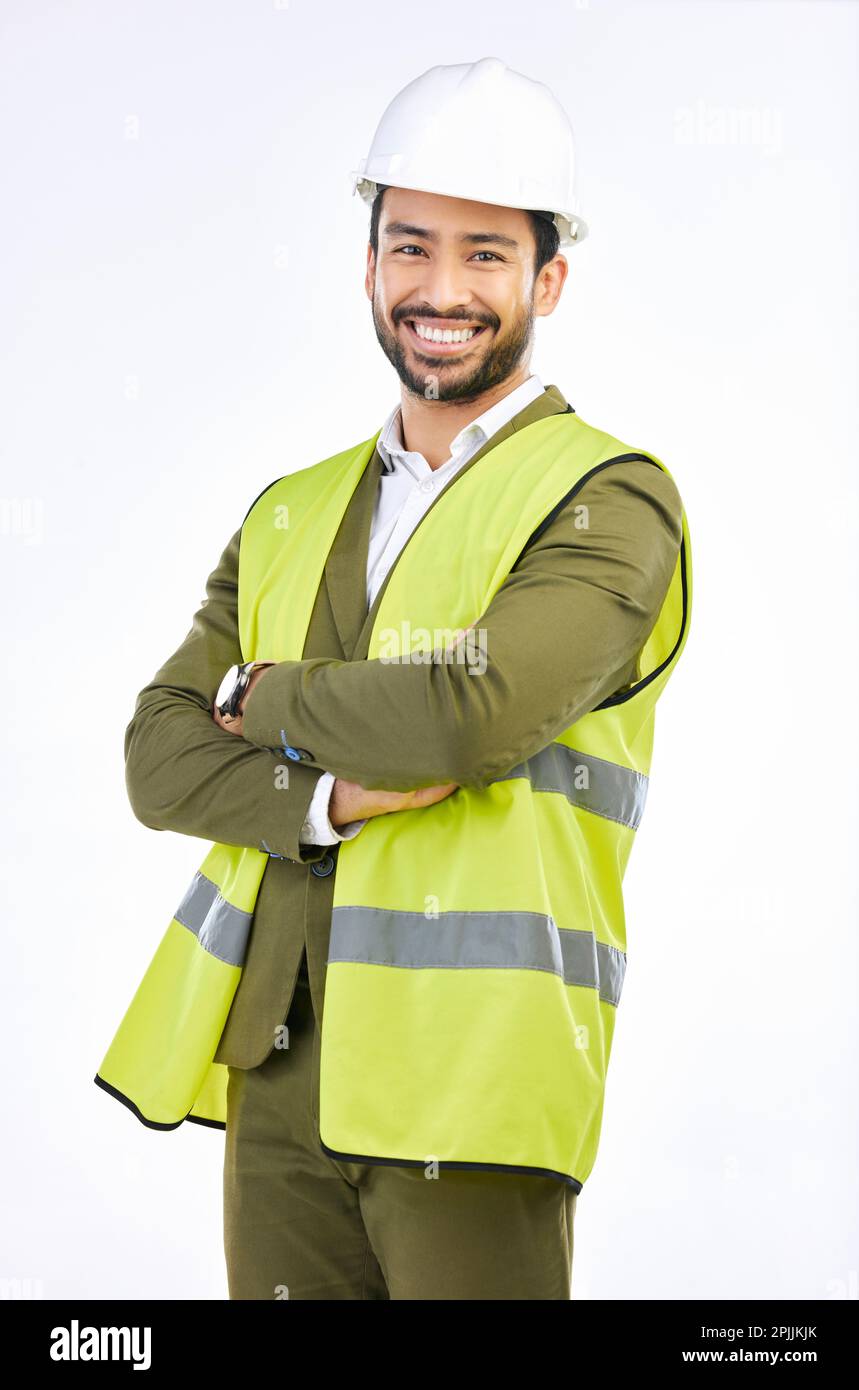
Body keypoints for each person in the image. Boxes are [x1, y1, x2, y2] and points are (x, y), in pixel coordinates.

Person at [105, 56, 691, 1300]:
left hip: (475, 1085)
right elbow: (157, 757)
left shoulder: (606, 497)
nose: (441, 289)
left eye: (485, 254)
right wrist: (327, 798)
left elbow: (464, 712)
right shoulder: (292, 510)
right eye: (411, 245)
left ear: (550, 277)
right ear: (370, 261)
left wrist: (261, 699)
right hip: (276, 1064)